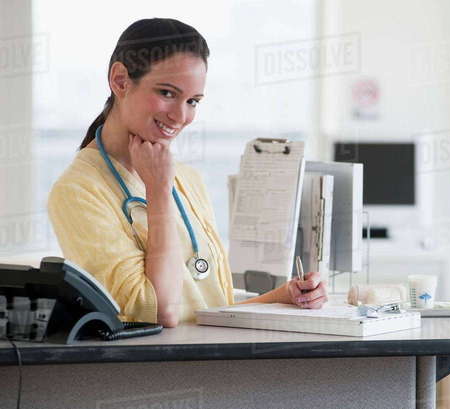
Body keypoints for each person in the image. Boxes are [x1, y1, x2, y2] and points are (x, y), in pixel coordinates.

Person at [47, 18, 328, 328]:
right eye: (167, 93)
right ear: (120, 80)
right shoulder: (79, 191)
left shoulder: (185, 178)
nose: (181, 116)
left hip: (215, 364)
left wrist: (282, 296)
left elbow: (208, 308)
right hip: (158, 374)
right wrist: (158, 191)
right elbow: (158, 312)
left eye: (193, 101)